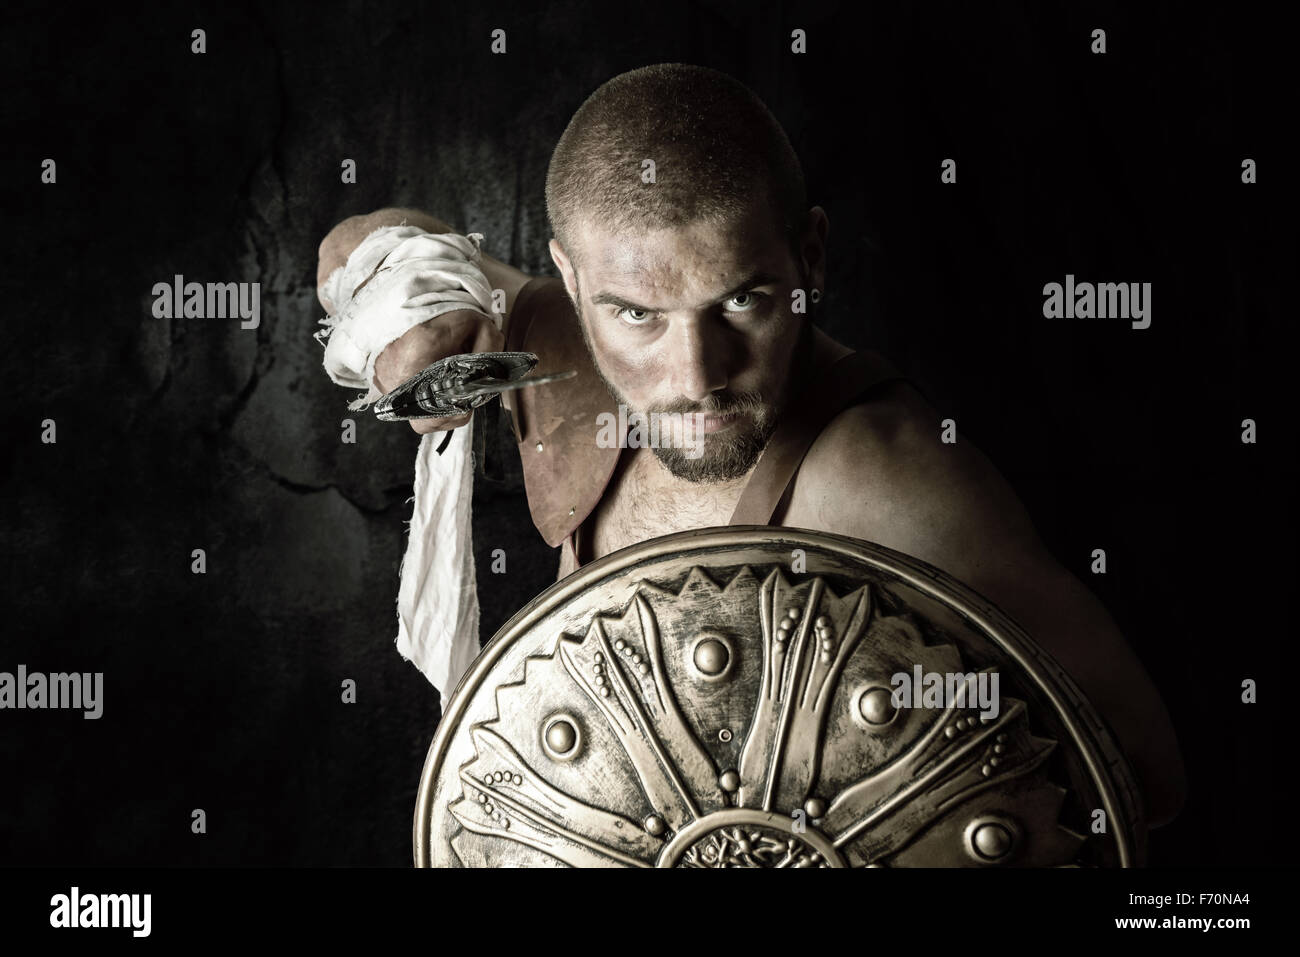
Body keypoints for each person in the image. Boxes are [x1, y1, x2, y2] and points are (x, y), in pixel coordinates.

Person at [316, 63, 1185, 829]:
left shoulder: (888, 481)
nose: (696, 375)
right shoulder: (562, 347)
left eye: (741, 301)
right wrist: (406, 295)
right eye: (638, 314)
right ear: (575, 284)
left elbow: (1141, 772)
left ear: (811, 257)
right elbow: (357, 246)